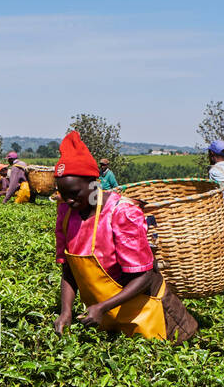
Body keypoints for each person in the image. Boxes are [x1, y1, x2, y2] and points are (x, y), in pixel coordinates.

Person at [53, 131, 196, 342]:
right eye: (64, 195)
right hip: (107, 319)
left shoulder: (121, 212)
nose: (70, 200)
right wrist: (66, 311)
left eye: (75, 193)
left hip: (149, 315)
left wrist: (102, 307)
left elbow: (144, 276)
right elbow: (69, 269)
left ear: (94, 183)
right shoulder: (66, 214)